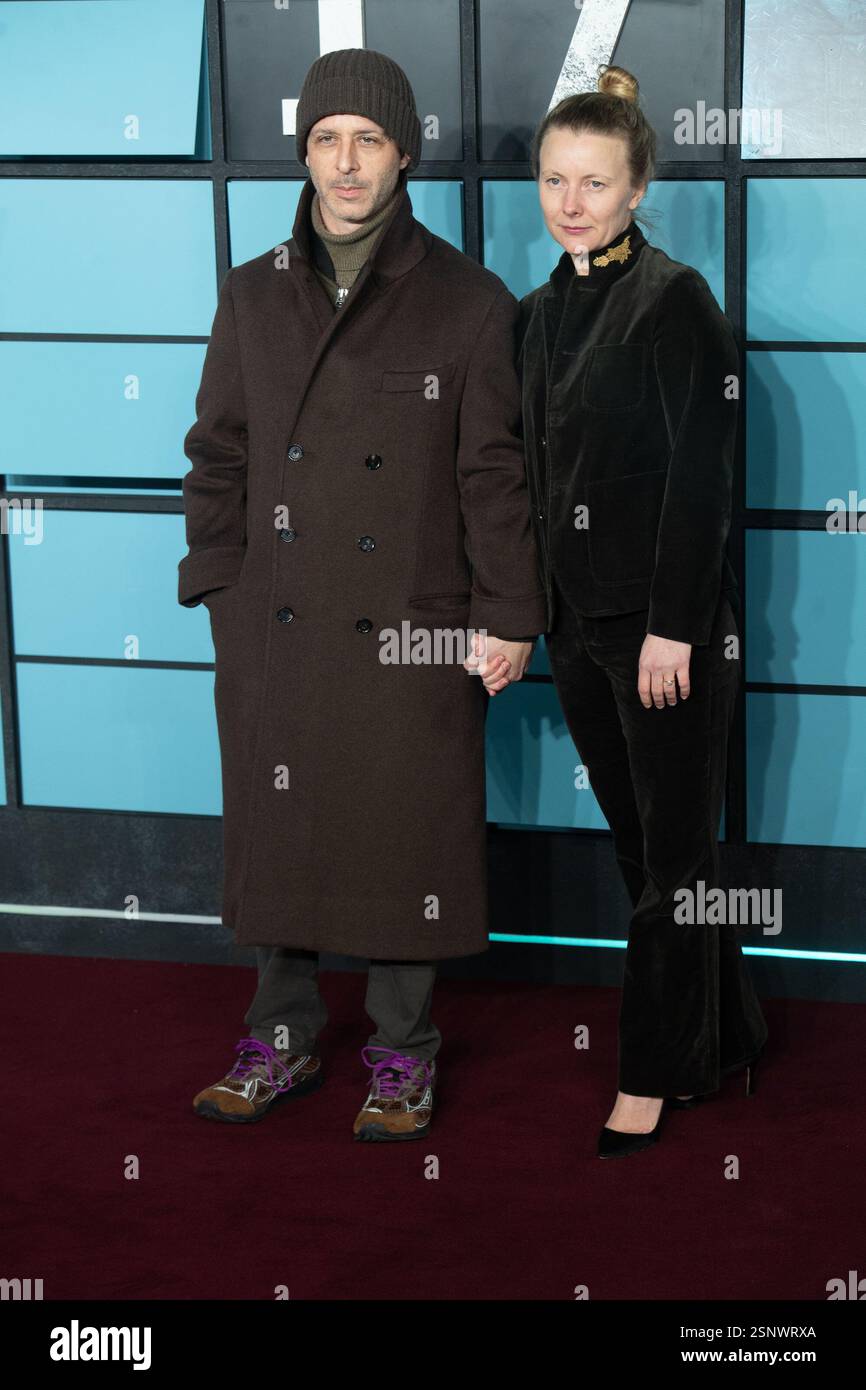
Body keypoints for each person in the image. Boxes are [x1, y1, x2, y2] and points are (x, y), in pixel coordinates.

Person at [179, 49, 544, 1141]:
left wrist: (510, 613)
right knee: (278, 822)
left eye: (369, 141)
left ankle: (400, 1054)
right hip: (276, 616)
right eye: (327, 139)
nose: (346, 163)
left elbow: (493, 475)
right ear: (304, 151)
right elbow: (216, 452)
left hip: (409, 623)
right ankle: (280, 1036)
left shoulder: (471, 301)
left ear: (402, 155)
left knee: (404, 832)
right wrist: (220, 583)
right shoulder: (250, 292)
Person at [515, 64, 768, 1158]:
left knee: (669, 863)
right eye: (554, 179)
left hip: (667, 634)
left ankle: (651, 1074)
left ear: (635, 187)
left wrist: (673, 622)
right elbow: (526, 474)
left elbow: (701, 477)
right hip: (576, 627)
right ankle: (729, 1032)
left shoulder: (674, 301)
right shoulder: (531, 315)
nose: (571, 201)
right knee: (649, 858)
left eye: (595, 182)